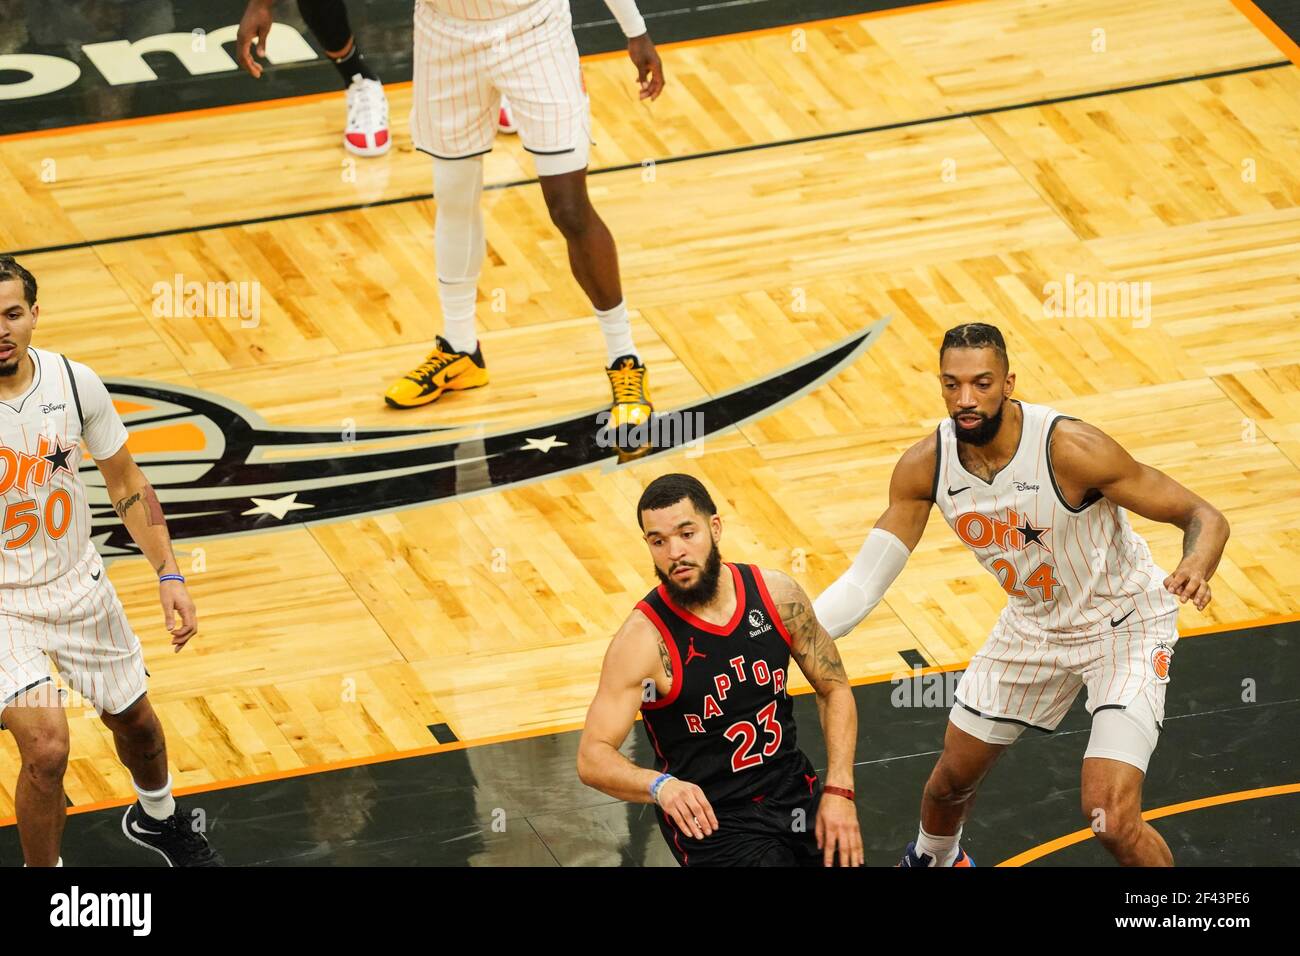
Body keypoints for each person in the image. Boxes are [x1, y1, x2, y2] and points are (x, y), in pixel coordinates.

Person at [814, 322, 1230, 867]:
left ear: (1008, 382)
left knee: (1109, 815)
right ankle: (937, 860)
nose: (966, 399)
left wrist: (1196, 565)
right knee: (947, 786)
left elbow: (1204, 515)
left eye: (981, 384)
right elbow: (863, 585)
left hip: (1123, 627)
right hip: (1031, 628)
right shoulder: (926, 466)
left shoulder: (1071, 449)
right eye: (951, 384)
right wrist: (783, 633)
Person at [0, 257, 221, 867]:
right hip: (2, 607)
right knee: (47, 749)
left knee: (139, 726)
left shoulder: (73, 383)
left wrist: (169, 573)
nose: (1, 329)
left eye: (12, 313)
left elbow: (126, 483)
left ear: (34, 316)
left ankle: (157, 820)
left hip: (77, 585)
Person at [382, 0, 665, 453]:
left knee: (569, 208)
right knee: (453, 197)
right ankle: (460, 350)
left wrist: (635, 30)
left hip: (533, 28)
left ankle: (625, 359)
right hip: (444, 34)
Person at [578, 473, 863, 866]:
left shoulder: (777, 596)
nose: (674, 552)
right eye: (658, 541)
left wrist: (839, 790)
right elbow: (592, 757)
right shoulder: (643, 641)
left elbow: (835, 689)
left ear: (714, 528)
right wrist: (660, 786)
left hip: (793, 791)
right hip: (713, 819)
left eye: (686, 533)